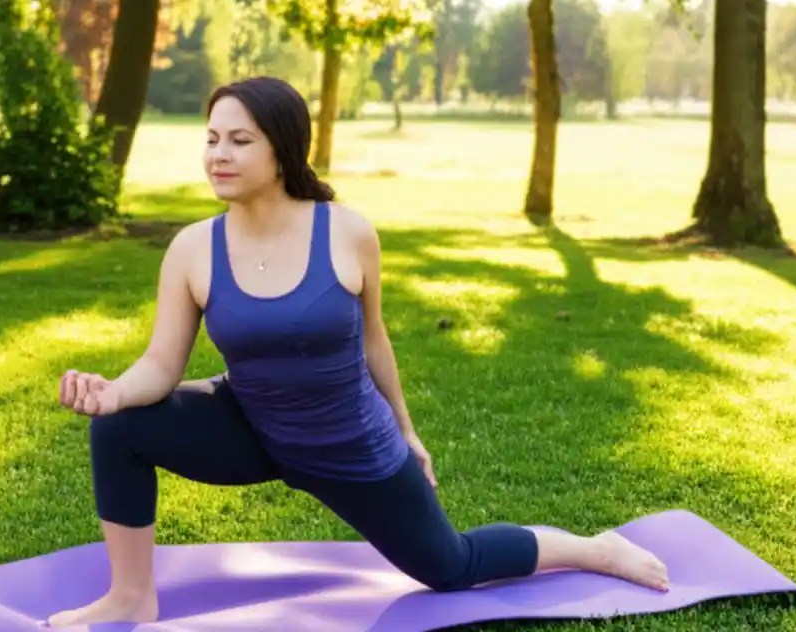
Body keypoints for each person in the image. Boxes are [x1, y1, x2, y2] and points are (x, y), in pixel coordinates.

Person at [47, 77, 669, 627]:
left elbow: (374, 341)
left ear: (283, 149)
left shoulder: (346, 233)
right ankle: (131, 598)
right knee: (118, 427)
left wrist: (407, 430)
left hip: (349, 446)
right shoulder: (192, 249)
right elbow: (162, 364)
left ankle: (595, 549)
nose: (218, 155)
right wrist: (115, 392)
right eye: (211, 139)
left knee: (450, 565)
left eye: (239, 140)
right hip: (252, 426)